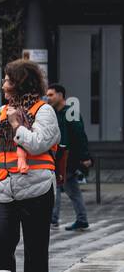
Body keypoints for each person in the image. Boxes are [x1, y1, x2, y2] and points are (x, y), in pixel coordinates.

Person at [0, 59, 60, 272]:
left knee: (35, 248)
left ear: (21, 83)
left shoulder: (43, 111)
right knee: (1, 244)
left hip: (36, 189)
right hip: (5, 189)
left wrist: (17, 126)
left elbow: (38, 144)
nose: (4, 85)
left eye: (8, 80)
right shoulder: (3, 110)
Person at [47, 83, 92, 232]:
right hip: (61, 157)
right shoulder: (55, 113)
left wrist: (85, 157)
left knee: (57, 186)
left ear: (60, 95)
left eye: (51, 95)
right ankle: (82, 219)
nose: (48, 98)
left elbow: (80, 135)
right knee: (71, 189)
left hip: (68, 158)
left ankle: (53, 219)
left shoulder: (70, 113)